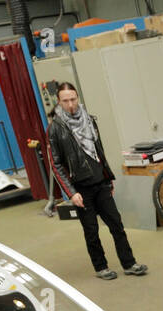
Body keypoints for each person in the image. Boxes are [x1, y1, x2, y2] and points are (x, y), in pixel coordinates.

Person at [48, 82, 147, 280]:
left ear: (78, 98)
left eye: (73, 99)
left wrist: (108, 178)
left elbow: (99, 152)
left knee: (117, 225)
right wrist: (71, 192)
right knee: (91, 231)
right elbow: (55, 164)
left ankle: (129, 263)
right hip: (81, 189)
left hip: (100, 182)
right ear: (59, 102)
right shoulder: (55, 128)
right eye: (66, 101)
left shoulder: (90, 120)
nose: (71, 104)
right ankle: (101, 267)